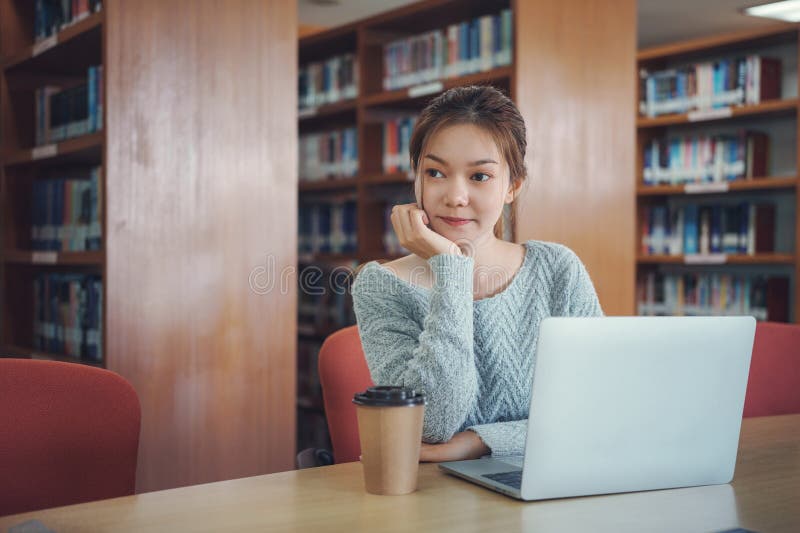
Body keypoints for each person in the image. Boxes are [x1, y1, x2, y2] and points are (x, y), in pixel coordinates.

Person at [351, 85, 602, 462]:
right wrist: (451, 268)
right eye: (435, 172)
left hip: (552, 486)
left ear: (512, 186)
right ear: (416, 178)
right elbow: (432, 423)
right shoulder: (380, 285)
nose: (455, 196)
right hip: (436, 505)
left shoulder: (557, 270)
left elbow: (597, 409)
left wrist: (476, 442)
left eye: (479, 177)